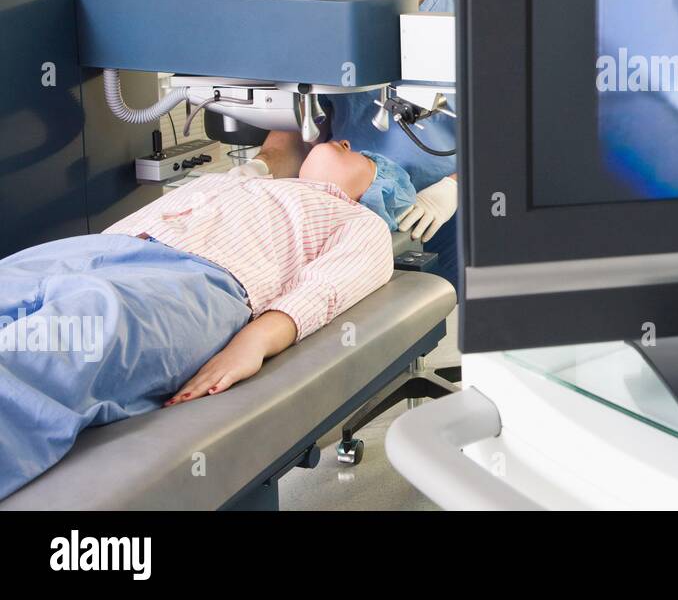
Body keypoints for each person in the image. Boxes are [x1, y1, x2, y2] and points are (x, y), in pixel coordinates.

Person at [0, 141, 414, 499]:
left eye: (356, 151)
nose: (341, 141)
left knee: (56, 343)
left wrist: (253, 341)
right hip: (93, 251)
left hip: (194, 283)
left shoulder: (361, 222)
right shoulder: (238, 180)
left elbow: (325, 289)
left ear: (378, 187)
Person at [246, 0, 460, 280]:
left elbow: (525, 132)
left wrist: (456, 188)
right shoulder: (330, 12)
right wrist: (258, 171)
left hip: (444, 214)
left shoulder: (472, 11)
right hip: (343, 213)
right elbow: (294, 137)